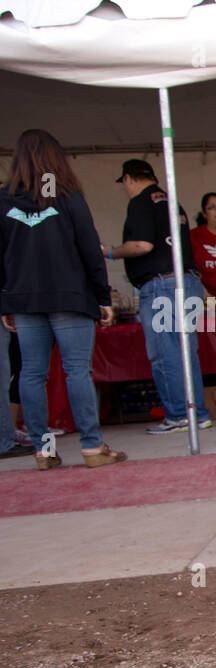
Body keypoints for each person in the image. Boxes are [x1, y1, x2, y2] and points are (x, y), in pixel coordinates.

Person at [0, 130, 125, 468]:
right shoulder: (65, 197)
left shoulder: (4, 200)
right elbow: (90, 249)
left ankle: (43, 449)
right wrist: (103, 296)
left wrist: (5, 301)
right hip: (69, 296)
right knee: (77, 372)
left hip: (24, 299)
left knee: (31, 373)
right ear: (55, 159)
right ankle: (91, 446)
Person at [103, 158, 212, 434]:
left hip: (163, 285)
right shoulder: (171, 201)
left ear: (129, 178)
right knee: (187, 351)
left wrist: (110, 252)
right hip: (188, 282)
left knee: (165, 354)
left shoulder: (140, 202)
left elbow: (142, 245)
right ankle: (197, 413)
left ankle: (177, 415)